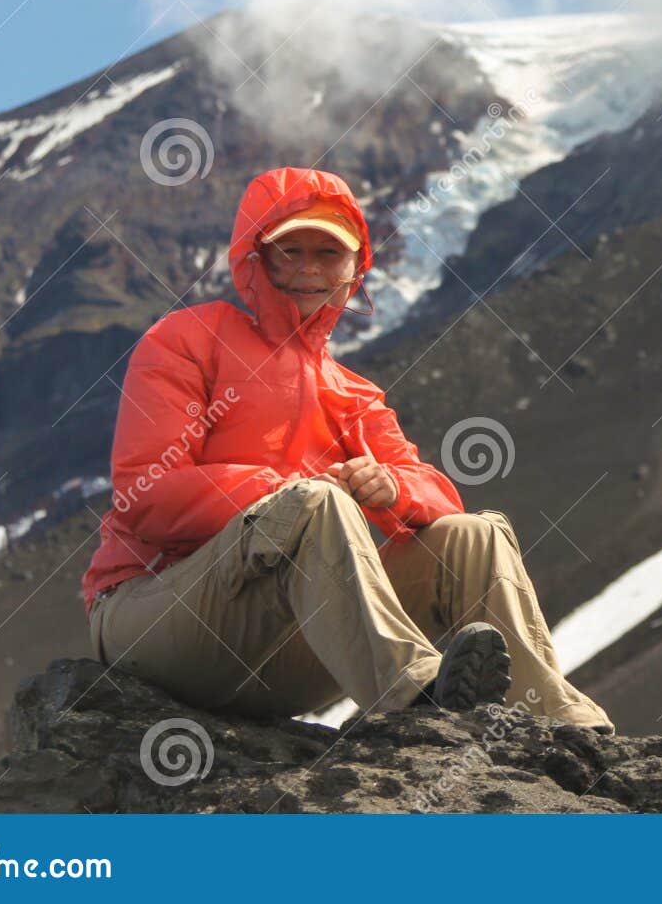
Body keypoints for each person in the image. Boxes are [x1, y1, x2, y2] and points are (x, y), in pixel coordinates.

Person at [80, 166, 613, 732]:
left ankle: (556, 723)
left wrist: (394, 490)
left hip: (278, 652)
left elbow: (437, 497)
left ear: (355, 268)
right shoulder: (186, 340)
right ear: (255, 258)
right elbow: (147, 495)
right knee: (314, 503)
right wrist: (282, 495)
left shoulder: (354, 394)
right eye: (291, 250)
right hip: (155, 621)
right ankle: (419, 701)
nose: (310, 268)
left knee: (472, 537)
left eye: (329, 253)